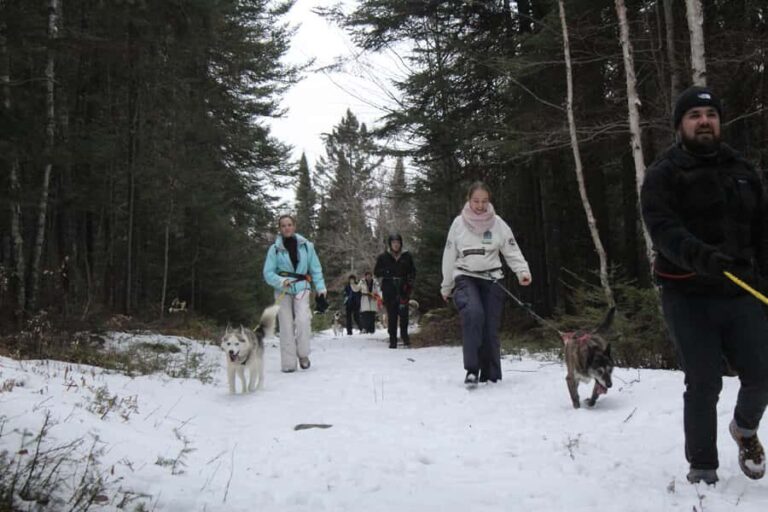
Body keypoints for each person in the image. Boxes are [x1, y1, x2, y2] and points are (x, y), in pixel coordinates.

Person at [641, 85, 768, 485]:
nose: (704, 121)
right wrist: (701, 257)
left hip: (741, 289)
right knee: (703, 380)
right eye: (694, 115)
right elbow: (663, 230)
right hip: (688, 292)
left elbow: (762, 233)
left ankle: (744, 430)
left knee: (762, 373)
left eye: (710, 115)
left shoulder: (743, 172)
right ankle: (702, 467)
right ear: (680, 125)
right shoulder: (663, 174)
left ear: (720, 122)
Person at [440, 181, 532, 386]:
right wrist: (446, 286)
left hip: (492, 278)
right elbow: (448, 256)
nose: (480, 205)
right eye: (476, 201)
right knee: (473, 314)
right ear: (468, 200)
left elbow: (511, 249)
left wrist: (522, 271)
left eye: (484, 201)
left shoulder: (498, 223)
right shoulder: (458, 224)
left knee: (490, 327)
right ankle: (472, 370)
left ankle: (491, 375)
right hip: (465, 276)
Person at [263, 214, 327, 372]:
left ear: (294, 226)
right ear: (280, 229)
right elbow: (268, 272)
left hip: (302, 286)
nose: (287, 228)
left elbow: (316, 269)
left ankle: (303, 354)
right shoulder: (275, 249)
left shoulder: (307, 246)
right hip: (283, 289)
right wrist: (280, 281)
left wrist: (320, 287)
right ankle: (288, 363)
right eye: (283, 225)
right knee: (285, 325)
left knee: (303, 320)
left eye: (289, 224)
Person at [374, 234, 416, 348]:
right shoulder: (383, 257)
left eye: (398, 242)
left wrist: (409, 283)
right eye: (393, 243)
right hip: (389, 288)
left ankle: (405, 337)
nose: (396, 245)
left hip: (403, 288)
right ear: (390, 244)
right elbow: (376, 272)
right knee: (392, 315)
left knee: (404, 315)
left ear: (401, 243)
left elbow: (413, 271)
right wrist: (387, 272)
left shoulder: (407, 256)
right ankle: (393, 339)